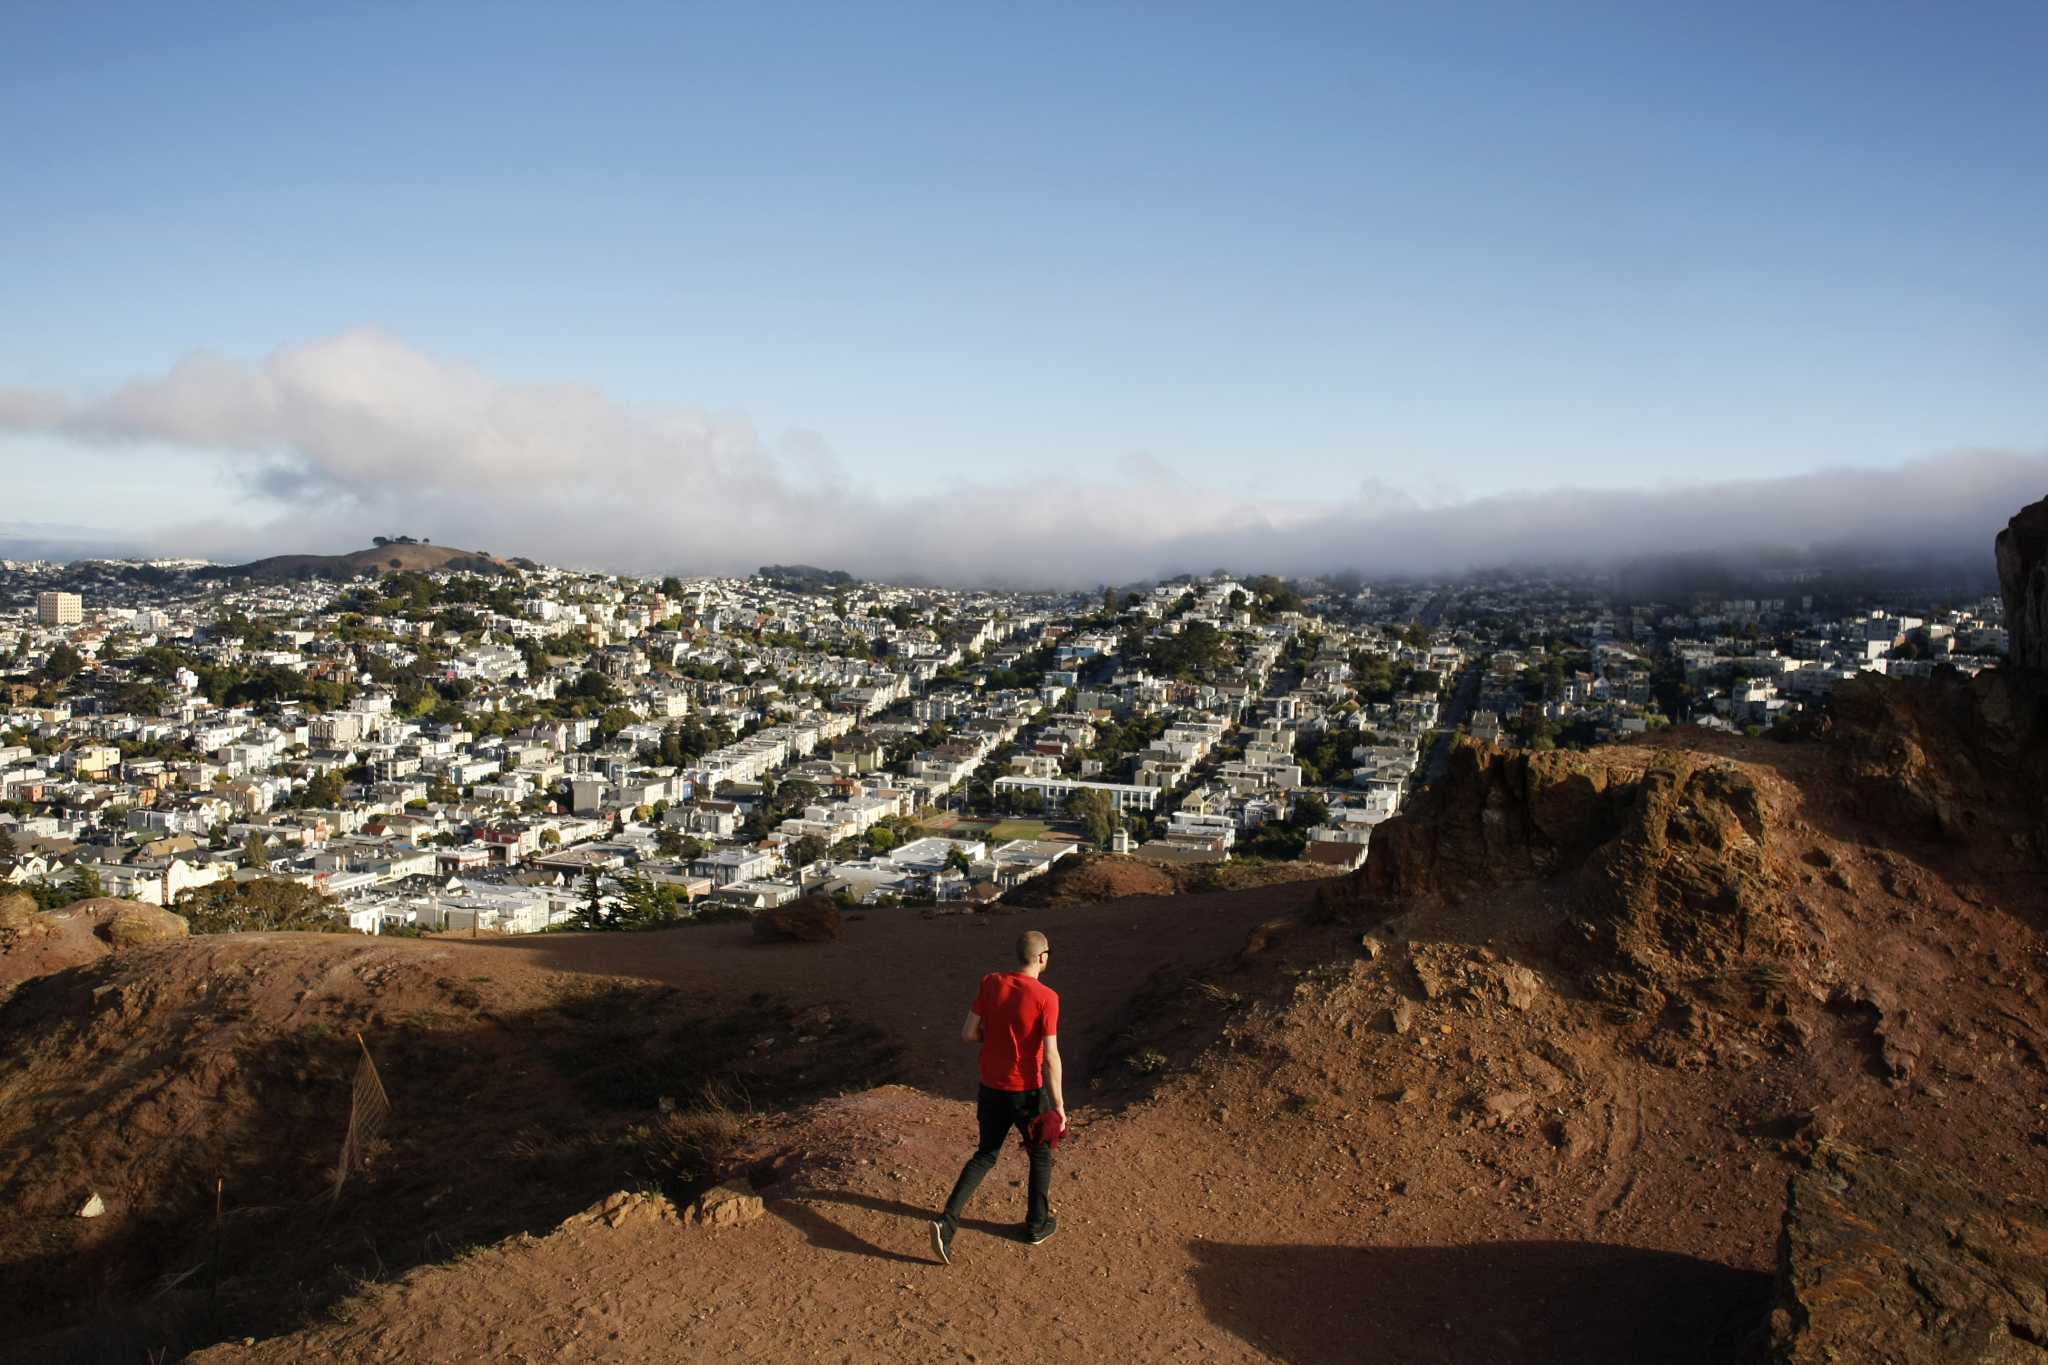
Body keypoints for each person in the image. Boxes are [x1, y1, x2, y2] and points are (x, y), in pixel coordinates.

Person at [931, 929, 1065, 1263]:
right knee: (1041, 1154)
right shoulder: (1047, 997)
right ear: (1043, 957)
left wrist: (994, 1041)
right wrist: (1060, 1106)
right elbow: (1051, 1057)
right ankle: (1036, 1225)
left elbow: (968, 1033)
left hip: (991, 1089)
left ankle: (946, 1225)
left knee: (986, 1155)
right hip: (1027, 1093)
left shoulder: (990, 982)